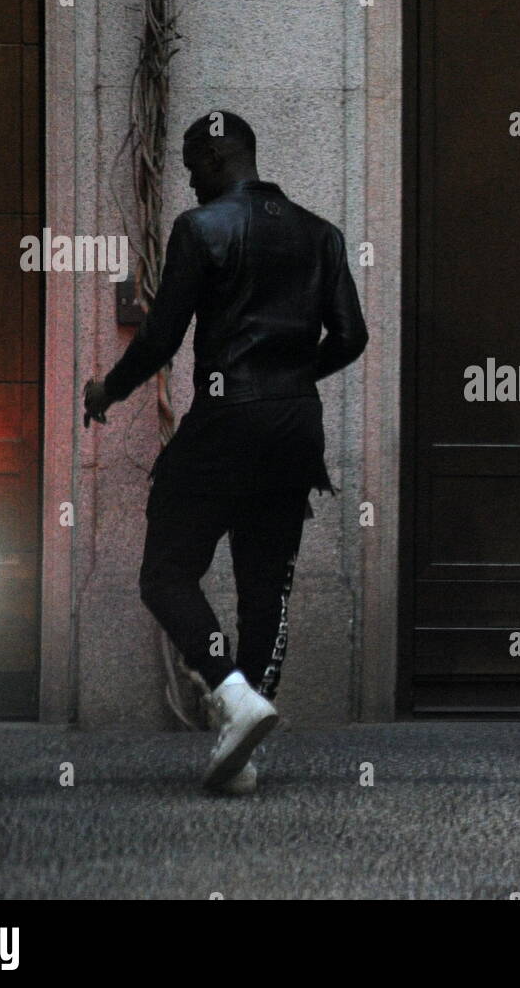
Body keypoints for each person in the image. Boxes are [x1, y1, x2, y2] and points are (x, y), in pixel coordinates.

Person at [82, 111, 368, 794]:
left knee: (166, 573)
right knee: (265, 582)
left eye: (189, 163)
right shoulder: (320, 233)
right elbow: (352, 337)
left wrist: (106, 392)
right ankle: (240, 736)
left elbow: (160, 340)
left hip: (225, 422)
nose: (186, 178)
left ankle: (230, 693)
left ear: (215, 158)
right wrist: (290, 379)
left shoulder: (201, 229)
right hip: (296, 425)